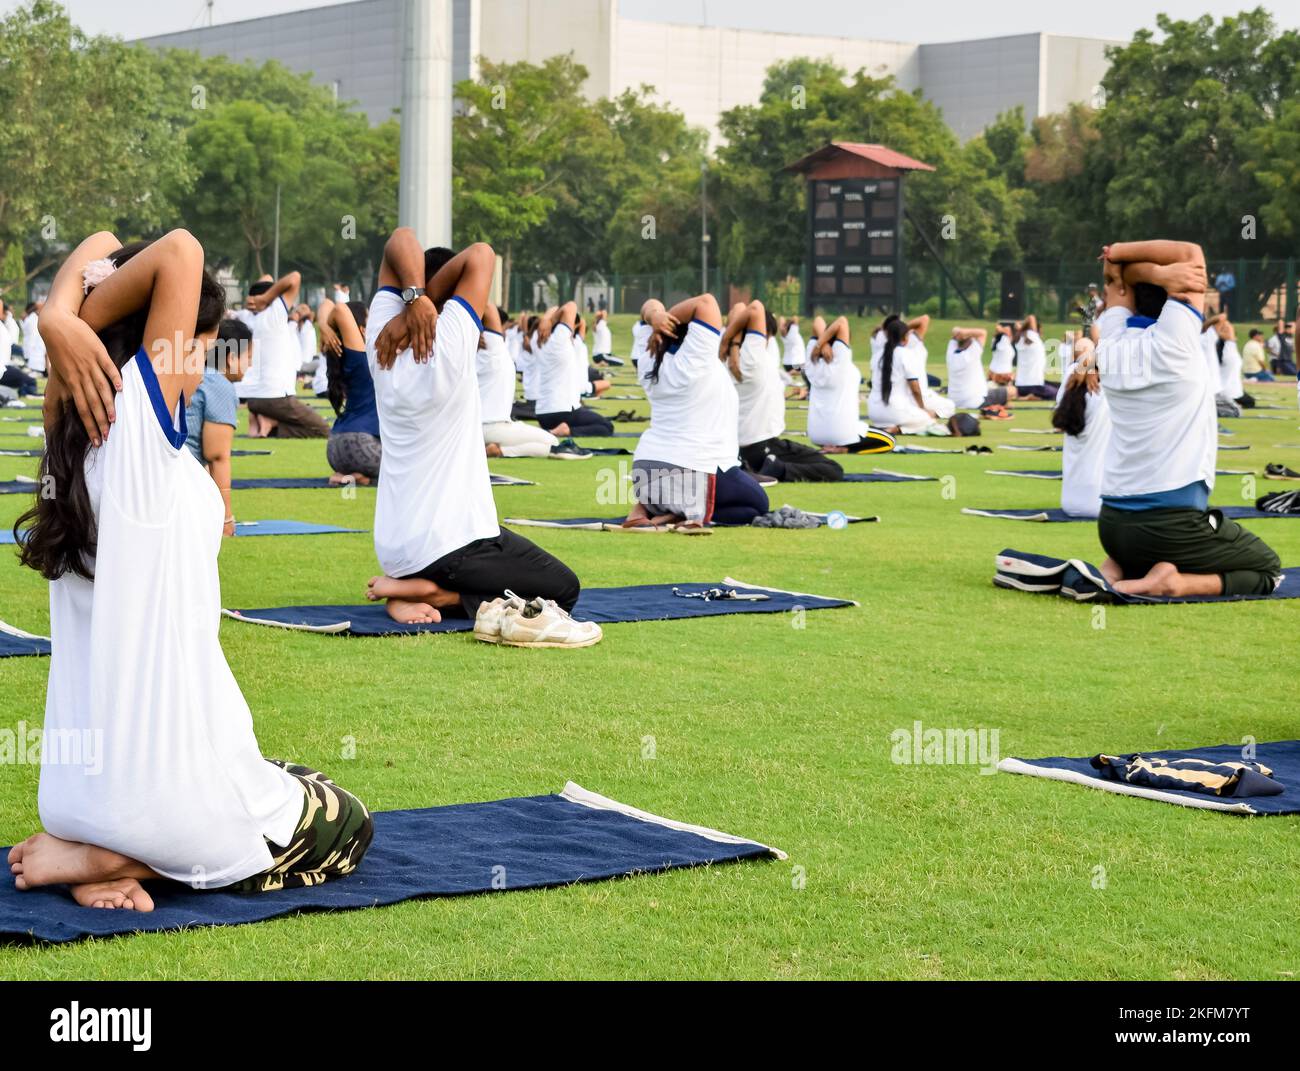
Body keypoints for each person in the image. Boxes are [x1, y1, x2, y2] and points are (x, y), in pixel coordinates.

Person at [9, 230, 372, 912]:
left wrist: (60, 318)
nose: (200, 355)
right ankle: (127, 857)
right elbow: (179, 250)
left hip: (72, 795)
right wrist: (64, 321)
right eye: (197, 340)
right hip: (163, 807)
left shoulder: (68, 430)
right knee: (348, 819)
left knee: (288, 774)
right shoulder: (141, 426)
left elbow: (104, 245)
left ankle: (105, 853)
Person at [361, 229, 599, 646]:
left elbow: (399, 238)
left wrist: (414, 301)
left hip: (396, 548)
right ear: (451, 302)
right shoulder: (450, 340)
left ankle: (406, 585)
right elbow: (482, 254)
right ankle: (436, 592)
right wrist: (424, 304)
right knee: (563, 588)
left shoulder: (381, 335)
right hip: (455, 547)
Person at [1091, 239, 1279, 597]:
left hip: (1112, 528)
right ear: (1177, 296)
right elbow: (1191, 254)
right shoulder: (1175, 341)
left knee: (1154, 545)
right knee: (1266, 568)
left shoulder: (1110, 342)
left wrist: (1125, 259)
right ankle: (1173, 582)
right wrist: (1155, 270)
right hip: (1169, 527)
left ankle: (1121, 565)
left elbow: (1115, 277)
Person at [626, 292, 770, 529]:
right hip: (693, 468)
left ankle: (657, 508)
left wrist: (657, 316)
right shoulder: (695, 357)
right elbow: (707, 302)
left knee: (745, 505)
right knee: (758, 504)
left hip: (645, 470)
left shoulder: (648, 356)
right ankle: (681, 513)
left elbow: (649, 306)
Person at [720, 299, 846, 482]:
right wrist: (729, 340)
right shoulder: (753, 358)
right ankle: (776, 469)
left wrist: (731, 342)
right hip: (762, 447)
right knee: (833, 469)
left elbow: (738, 308)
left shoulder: (724, 358)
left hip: (733, 449)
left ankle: (761, 467)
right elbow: (755, 307)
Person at [237, 272, 330, 439]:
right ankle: (272, 424)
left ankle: (261, 418)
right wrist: (266, 298)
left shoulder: (246, 319)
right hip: (274, 396)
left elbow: (266, 279)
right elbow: (295, 277)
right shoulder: (274, 314)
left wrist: (261, 296)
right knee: (322, 429)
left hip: (253, 398)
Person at [185, 318, 252, 536]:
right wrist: (226, 517)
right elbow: (217, 457)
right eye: (248, 357)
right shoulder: (220, 386)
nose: (250, 364)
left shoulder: (194, 375)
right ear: (231, 358)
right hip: (181, 480)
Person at [477, 303, 562, 459]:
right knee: (553, 442)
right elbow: (488, 306)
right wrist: (547, 318)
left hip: (476, 427)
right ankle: (499, 451)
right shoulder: (491, 345)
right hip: (493, 426)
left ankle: (487, 448)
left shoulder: (471, 348)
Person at [316, 295, 382, 484]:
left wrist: (325, 327)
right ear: (361, 330)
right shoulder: (360, 357)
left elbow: (327, 303)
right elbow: (338, 308)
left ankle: (351, 475)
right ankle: (361, 477)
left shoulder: (343, 358)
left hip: (335, 449)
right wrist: (324, 328)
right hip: (362, 446)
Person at [532, 302, 614, 437]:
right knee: (606, 426)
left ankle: (552, 430)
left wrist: (546, 319)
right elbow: (571, 306)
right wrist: (549, 320)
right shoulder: (560, 340)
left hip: (542, 415)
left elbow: (557, 310)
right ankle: (566, 431)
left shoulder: (538, 339)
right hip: (563, 412)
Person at [1052, 337, 1110, 518]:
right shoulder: (1104, 394)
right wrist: (1089, 361)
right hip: (1100, 504)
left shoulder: (1067, 390)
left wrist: (1086, 363)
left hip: (1069, 503)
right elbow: (1117, 355)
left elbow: (1083, 360)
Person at [864, 315, 946, 436]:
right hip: (895, 412)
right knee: (929, 420)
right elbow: (915, 389)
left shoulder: (877, 355)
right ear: (906, 337)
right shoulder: (905, 354)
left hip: (874, 412)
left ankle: (888, 427)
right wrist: (922, 409)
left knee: (921, 416)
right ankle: (898, 429)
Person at [945, 325, 1010, 410]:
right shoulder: (973, 352)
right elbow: (983, 333)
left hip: (955, 402)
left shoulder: (950, 354)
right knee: (1012, 391)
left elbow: (954, 331)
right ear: (969, 343)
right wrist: (964, 333)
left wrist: (961, 332)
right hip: (976, 402)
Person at [1012, 314, 1057, 400]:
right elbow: (1031, 318)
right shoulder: (1033, 336)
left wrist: (1020, 329)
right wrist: (1021, 327)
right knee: (1059, 394)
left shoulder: (1021, 339)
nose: (1042, 332)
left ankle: (1026, 396)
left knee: (1057, 385)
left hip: (1021, 387)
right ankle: (1033, 396)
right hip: (1034, 385)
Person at [21, 301, 45, 375]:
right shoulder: (32, 319)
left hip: (33, 350)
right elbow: (32, 337)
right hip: (32, 351)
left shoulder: (33, 318)